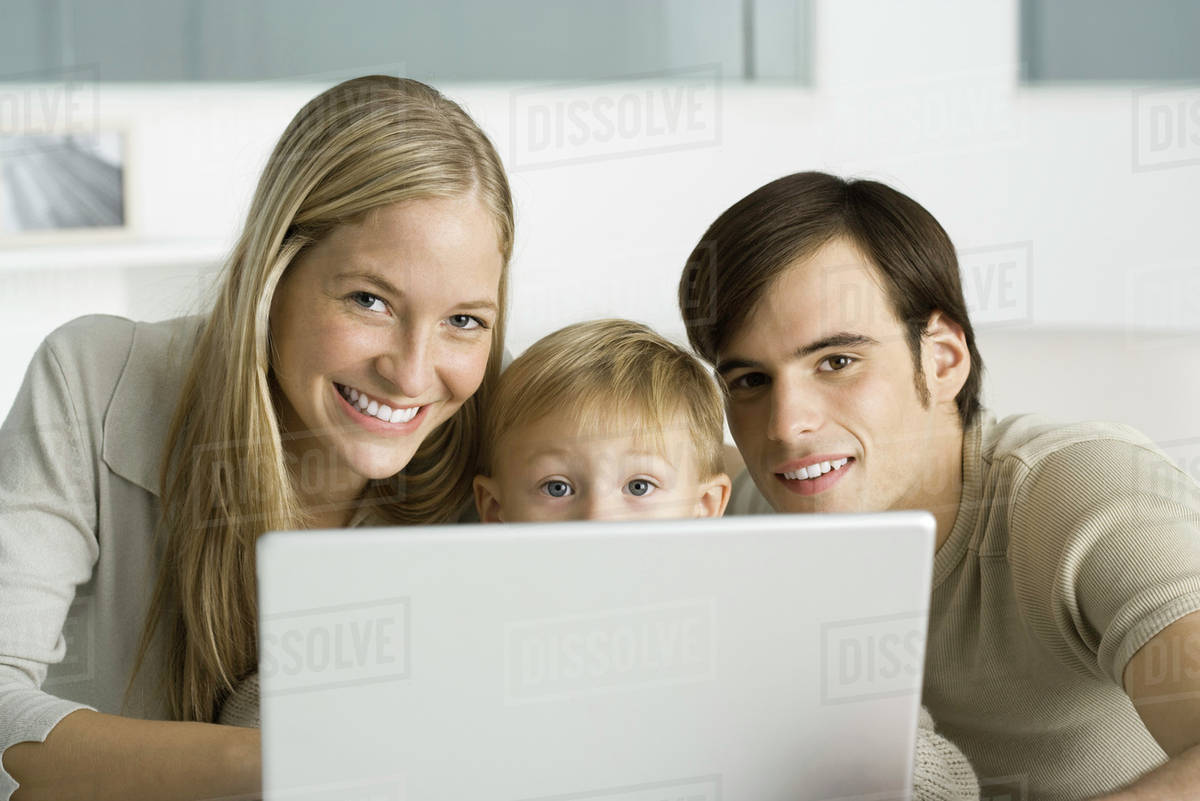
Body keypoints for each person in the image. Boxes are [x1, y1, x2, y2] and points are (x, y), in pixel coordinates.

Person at [0, 75, 513, 801]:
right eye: (370, 300)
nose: (411, 371)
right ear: (273, 274)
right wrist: (282, 765)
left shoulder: (507, 445)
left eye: (465, 320)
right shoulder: (93, 379)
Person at [677, 171, 1200, 800]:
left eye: (837, 362)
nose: (787, 428)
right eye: (750, 381)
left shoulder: (1083, 491)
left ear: (944, 359)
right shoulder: (744, 511)